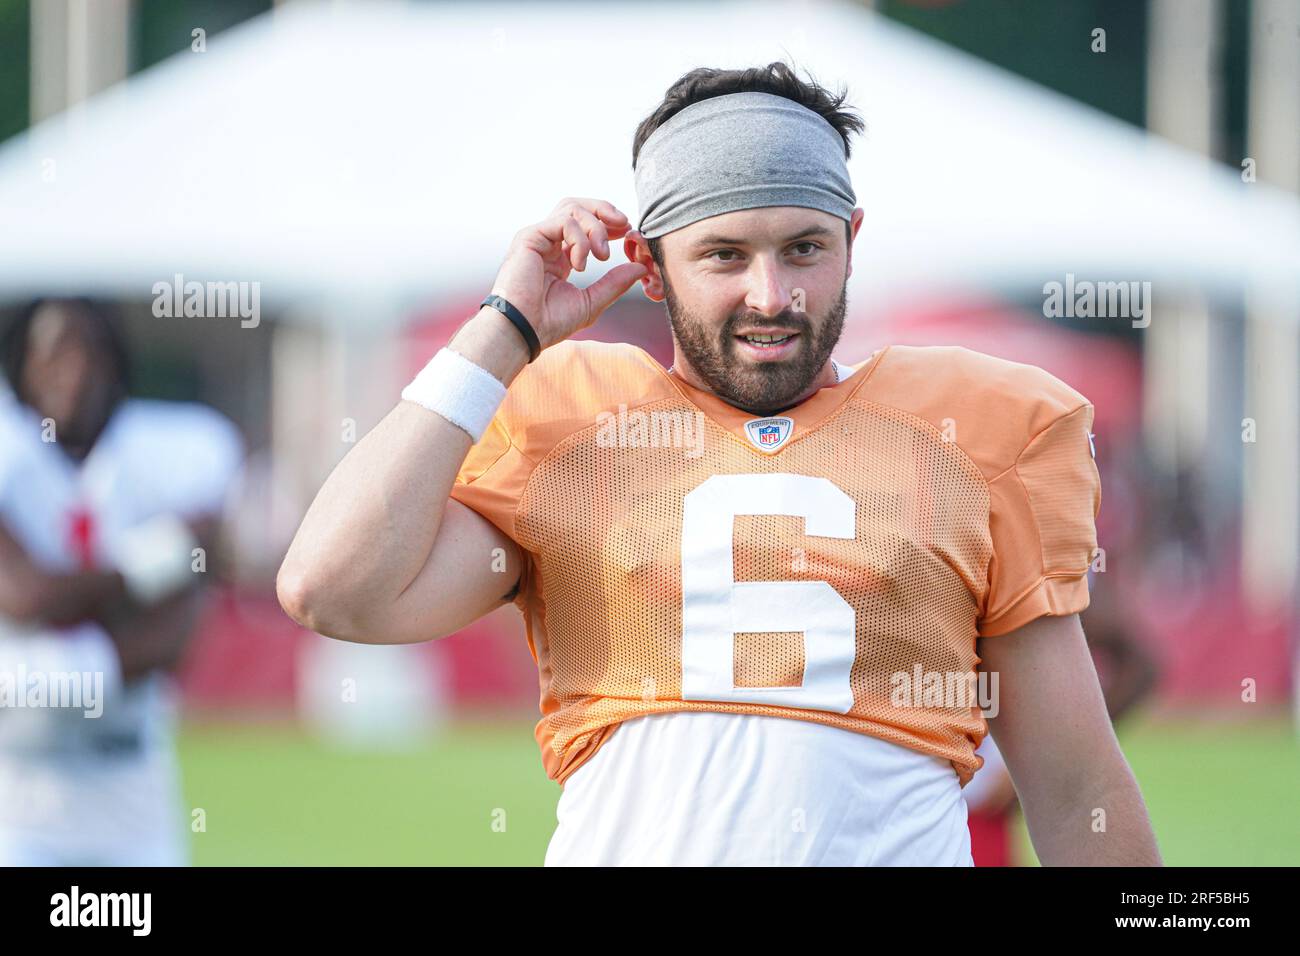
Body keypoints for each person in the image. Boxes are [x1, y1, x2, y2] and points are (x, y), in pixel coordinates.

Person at [278, 62, 1161, 866]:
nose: (771, 296)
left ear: (853, 238)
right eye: (724, 255)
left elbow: (1077, 787)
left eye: (804, 249)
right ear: (651, 269)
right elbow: (332, 586)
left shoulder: (974, 434)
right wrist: (505, 327)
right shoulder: (572, 426)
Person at [0, 297, 243, 865]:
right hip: (19, 795)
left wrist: (42, 665)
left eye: (92, 354)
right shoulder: (12, 459)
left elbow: (172, 638)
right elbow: (23, 594)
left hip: (131, 785)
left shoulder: (168, 456)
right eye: (55, 354)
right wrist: (153, 559)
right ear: (21, 367)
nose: (76, 373)